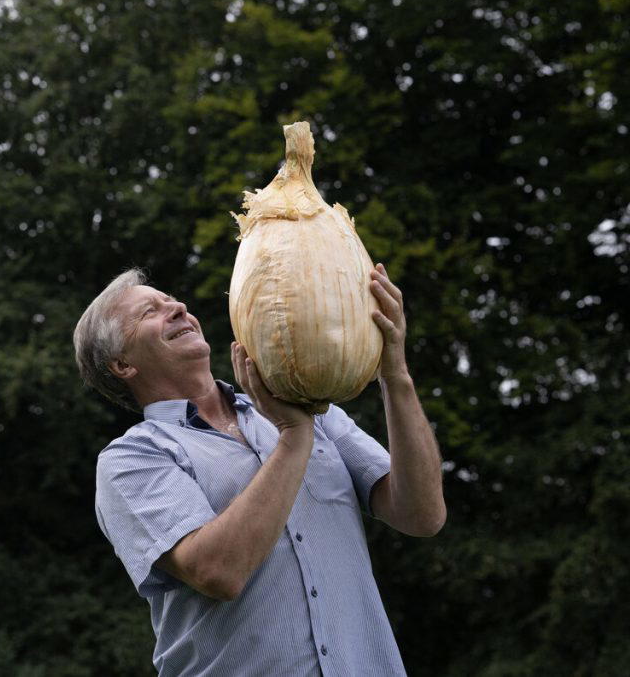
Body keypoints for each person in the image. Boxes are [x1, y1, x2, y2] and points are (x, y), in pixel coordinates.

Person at [72, 264, 446, 676]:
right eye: (149, 312)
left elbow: (422, 516)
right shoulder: (133, 459)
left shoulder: (310, 408)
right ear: (122, 364)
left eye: (172, 301)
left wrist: (395, 374)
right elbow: (218, 571)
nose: (178, 307)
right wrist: (292, 438)